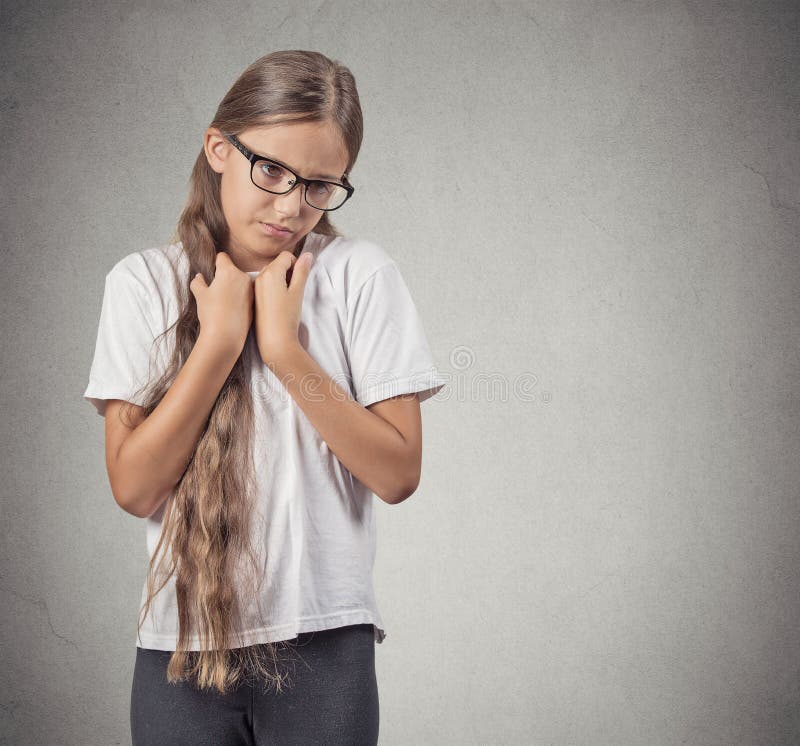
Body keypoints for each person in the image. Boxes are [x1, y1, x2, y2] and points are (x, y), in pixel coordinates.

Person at [82, 49, 446, 745]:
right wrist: (220, 342)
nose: (290, 206)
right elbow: (134, 486)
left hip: (324, 644)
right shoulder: (142, 285)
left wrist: (283, 352)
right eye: (272, 171)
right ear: (219, 148)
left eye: (319, 186)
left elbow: (397, 473)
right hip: (180, 650)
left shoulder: (359, 277)